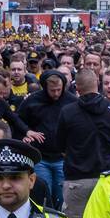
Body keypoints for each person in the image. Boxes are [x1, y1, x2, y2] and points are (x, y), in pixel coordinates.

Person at [54, 68, 110, 218]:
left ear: (77, 88)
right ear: (97, 84)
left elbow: (59, 145)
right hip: (108, 178)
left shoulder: (67, 112)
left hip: (77, 180)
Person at [17, 69, 72, 209]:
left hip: (62, 158)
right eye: (52, 90)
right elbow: (17, 120)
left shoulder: (71, 101)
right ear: (44, 87)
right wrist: (26, 133)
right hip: (40, 158)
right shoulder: (32, 101)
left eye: (59, 90)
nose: (56, 94)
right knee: (43, 194)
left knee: (63, 196)